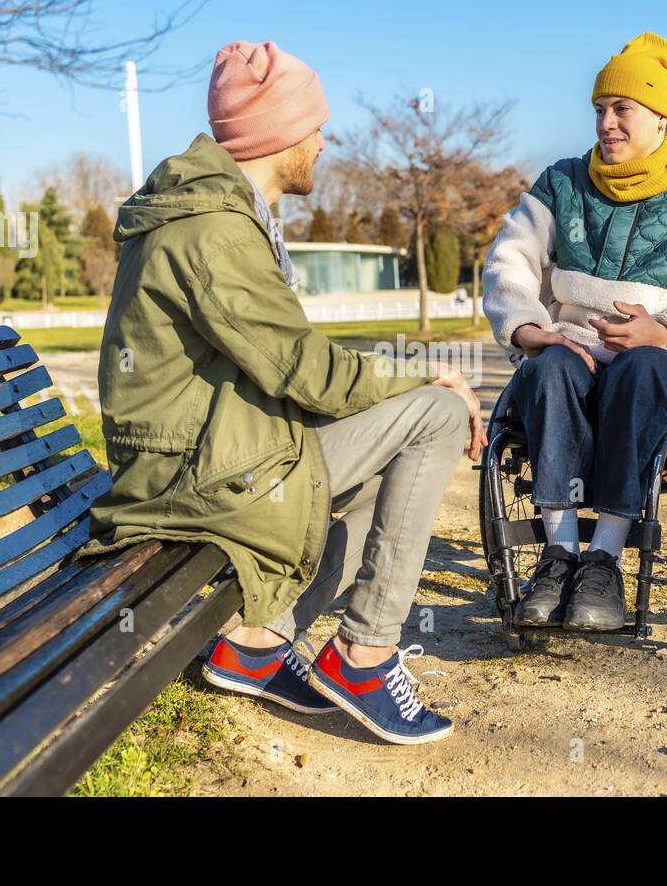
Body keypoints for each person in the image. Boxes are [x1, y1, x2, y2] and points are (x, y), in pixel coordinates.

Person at [81, 40, 486, 744]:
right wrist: (427, 371)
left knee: (381, 449)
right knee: (438, 413)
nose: (323, 142)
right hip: (193, 477)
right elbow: (306, 373)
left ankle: (259, 641)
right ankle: (364, 654)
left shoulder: (224, 216)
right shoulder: (213, 231)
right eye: (313, 127)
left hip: (206, 450)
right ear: (277, 135)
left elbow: (290, 366)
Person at [482, 32, 667, 632]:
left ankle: (603, 558)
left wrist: (663, 330)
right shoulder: (561, 184)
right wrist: (528, 328)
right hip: (571, 354)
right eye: (600, 110)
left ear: (660, 117)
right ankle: (559, 558)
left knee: (644, 368)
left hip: (656, 363)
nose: (607, 123)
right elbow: (510, 261)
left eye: (621, 109)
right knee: (549, 365)